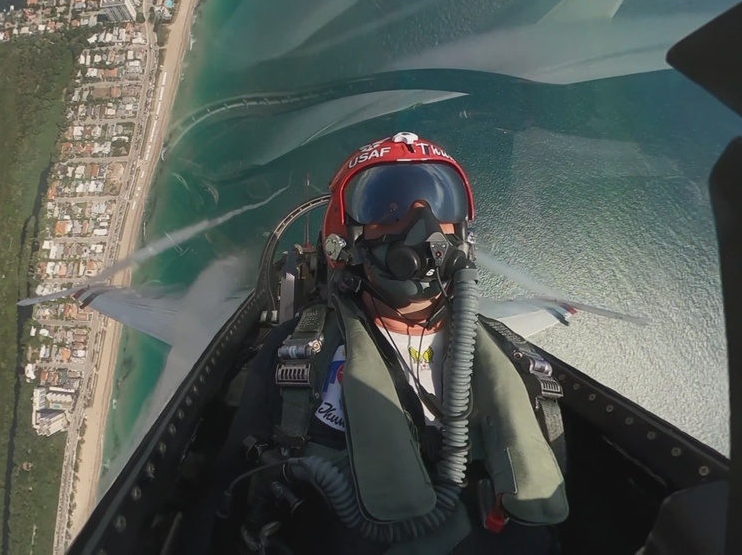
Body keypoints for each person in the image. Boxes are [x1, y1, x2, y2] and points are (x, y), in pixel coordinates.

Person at [183, 132, 568, 555]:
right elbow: (222, 501)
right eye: (387, 206)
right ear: (344, 238)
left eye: (441, 203)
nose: (420, 225)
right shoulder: (295, 359)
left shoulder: (519, 362)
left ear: (461, 231)